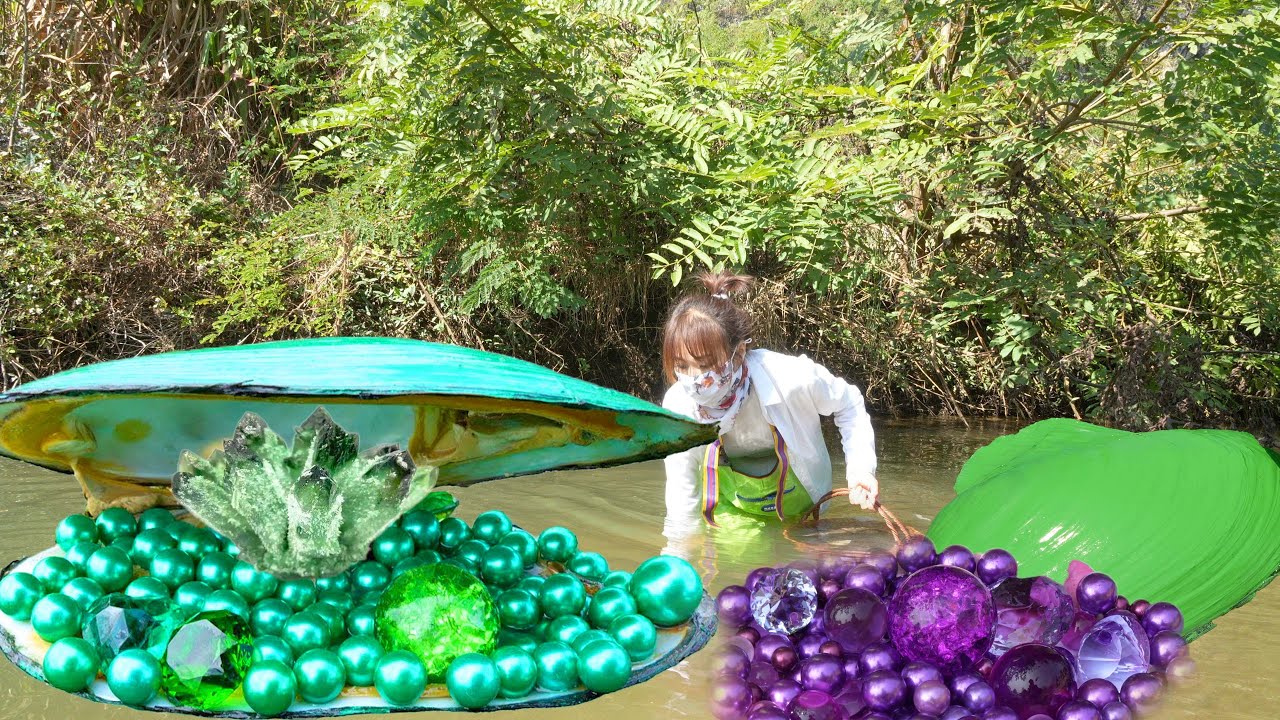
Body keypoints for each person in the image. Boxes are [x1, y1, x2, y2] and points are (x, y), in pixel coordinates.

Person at [660, 271, 879, 545]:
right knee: (735, 561)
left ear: (739, 353)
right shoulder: (680, 405)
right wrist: (678, 554)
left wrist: (861, 471)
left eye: (704, 365)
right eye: (681, 366)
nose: (694, 379)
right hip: (735, 508)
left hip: (805, 506)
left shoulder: (791, 378)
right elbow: (682, 492)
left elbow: (849, 404)